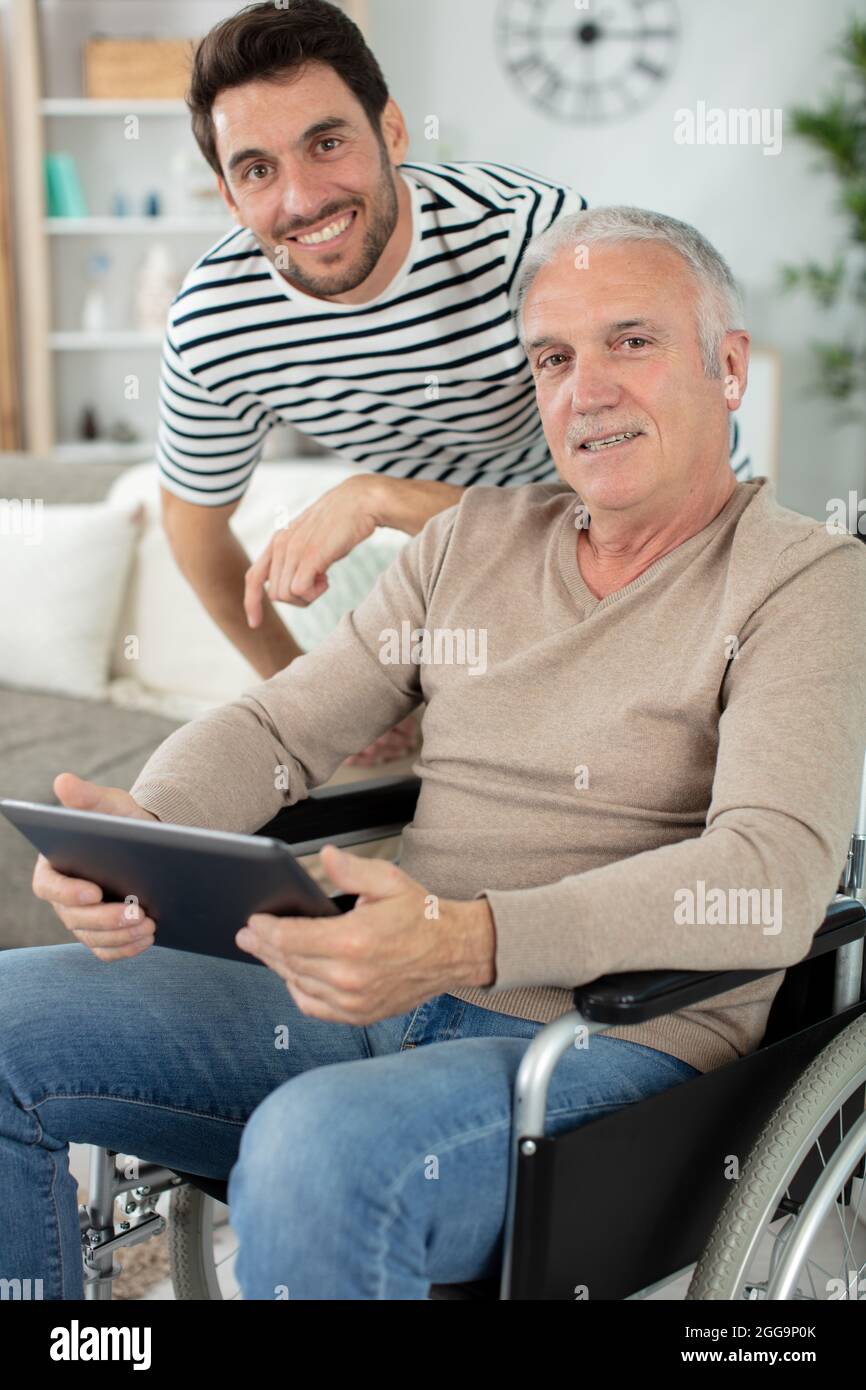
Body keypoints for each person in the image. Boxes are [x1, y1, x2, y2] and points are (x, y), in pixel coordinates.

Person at [7, 206, 856, 1301]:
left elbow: (766, 879)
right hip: (357, 991)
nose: (583, 387)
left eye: (629, 341)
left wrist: (465, 941)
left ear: (726, 367)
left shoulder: (804, 578)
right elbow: (279, 726)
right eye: (552, 357)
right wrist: (144, 837)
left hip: (603, 1051)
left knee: (319, 1154)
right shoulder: (470, 540)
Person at [159, 0, 752, 765]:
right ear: (229, 196)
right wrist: (302, 687)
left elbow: (658, 503)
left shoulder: (529, 240)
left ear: (392, 132)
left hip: (646, 553)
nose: (302, 199)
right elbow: (193, 527)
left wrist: (382, 497)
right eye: (259, 169)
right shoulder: (215, 324)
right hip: (458, 573)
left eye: (328, 141)